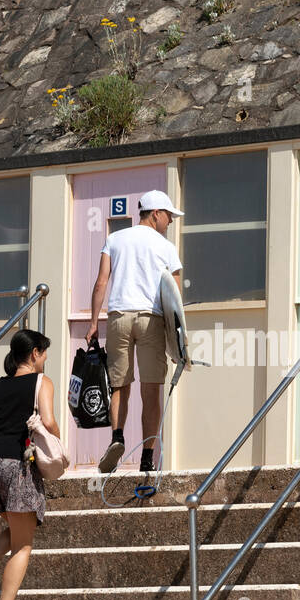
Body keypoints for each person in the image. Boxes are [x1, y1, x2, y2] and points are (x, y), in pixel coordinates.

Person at [86, 189, 184, 473]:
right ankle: (146, 459)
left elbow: (101, 283)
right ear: (155, 214)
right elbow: (175, 294)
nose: (170, 222)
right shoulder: (165, 246)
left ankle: (117, 438)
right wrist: (179, 340)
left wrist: (94, 323)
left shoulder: (114, 239)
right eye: (168, 216)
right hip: (150, 318)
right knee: (151, 388)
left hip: (118, 316)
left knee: (120, 385)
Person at [0, 329, 59, 600]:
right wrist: (56, 440)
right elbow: (47, 421)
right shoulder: (41, 382)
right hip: (17, 464)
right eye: (44, 353)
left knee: (18, 525)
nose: (45, 359)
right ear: (34, 353)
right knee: (23, 545)